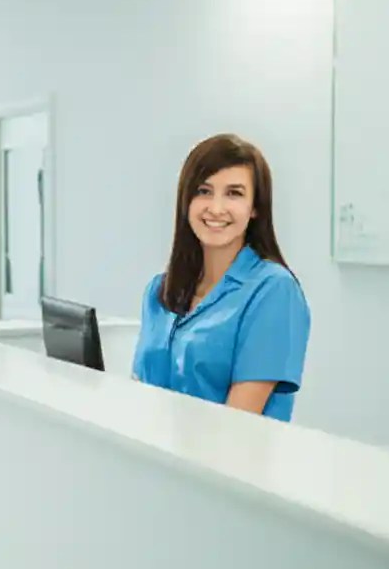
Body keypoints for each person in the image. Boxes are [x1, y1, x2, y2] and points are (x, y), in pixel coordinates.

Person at [132, 134, 311, 421]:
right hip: (155, 460)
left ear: (255, 208)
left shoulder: (274, 291)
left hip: (227, 462)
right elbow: (139, 392)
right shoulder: (160, 291)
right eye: (203, 191)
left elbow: (237, 425)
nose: (216, 208)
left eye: (234, 193)